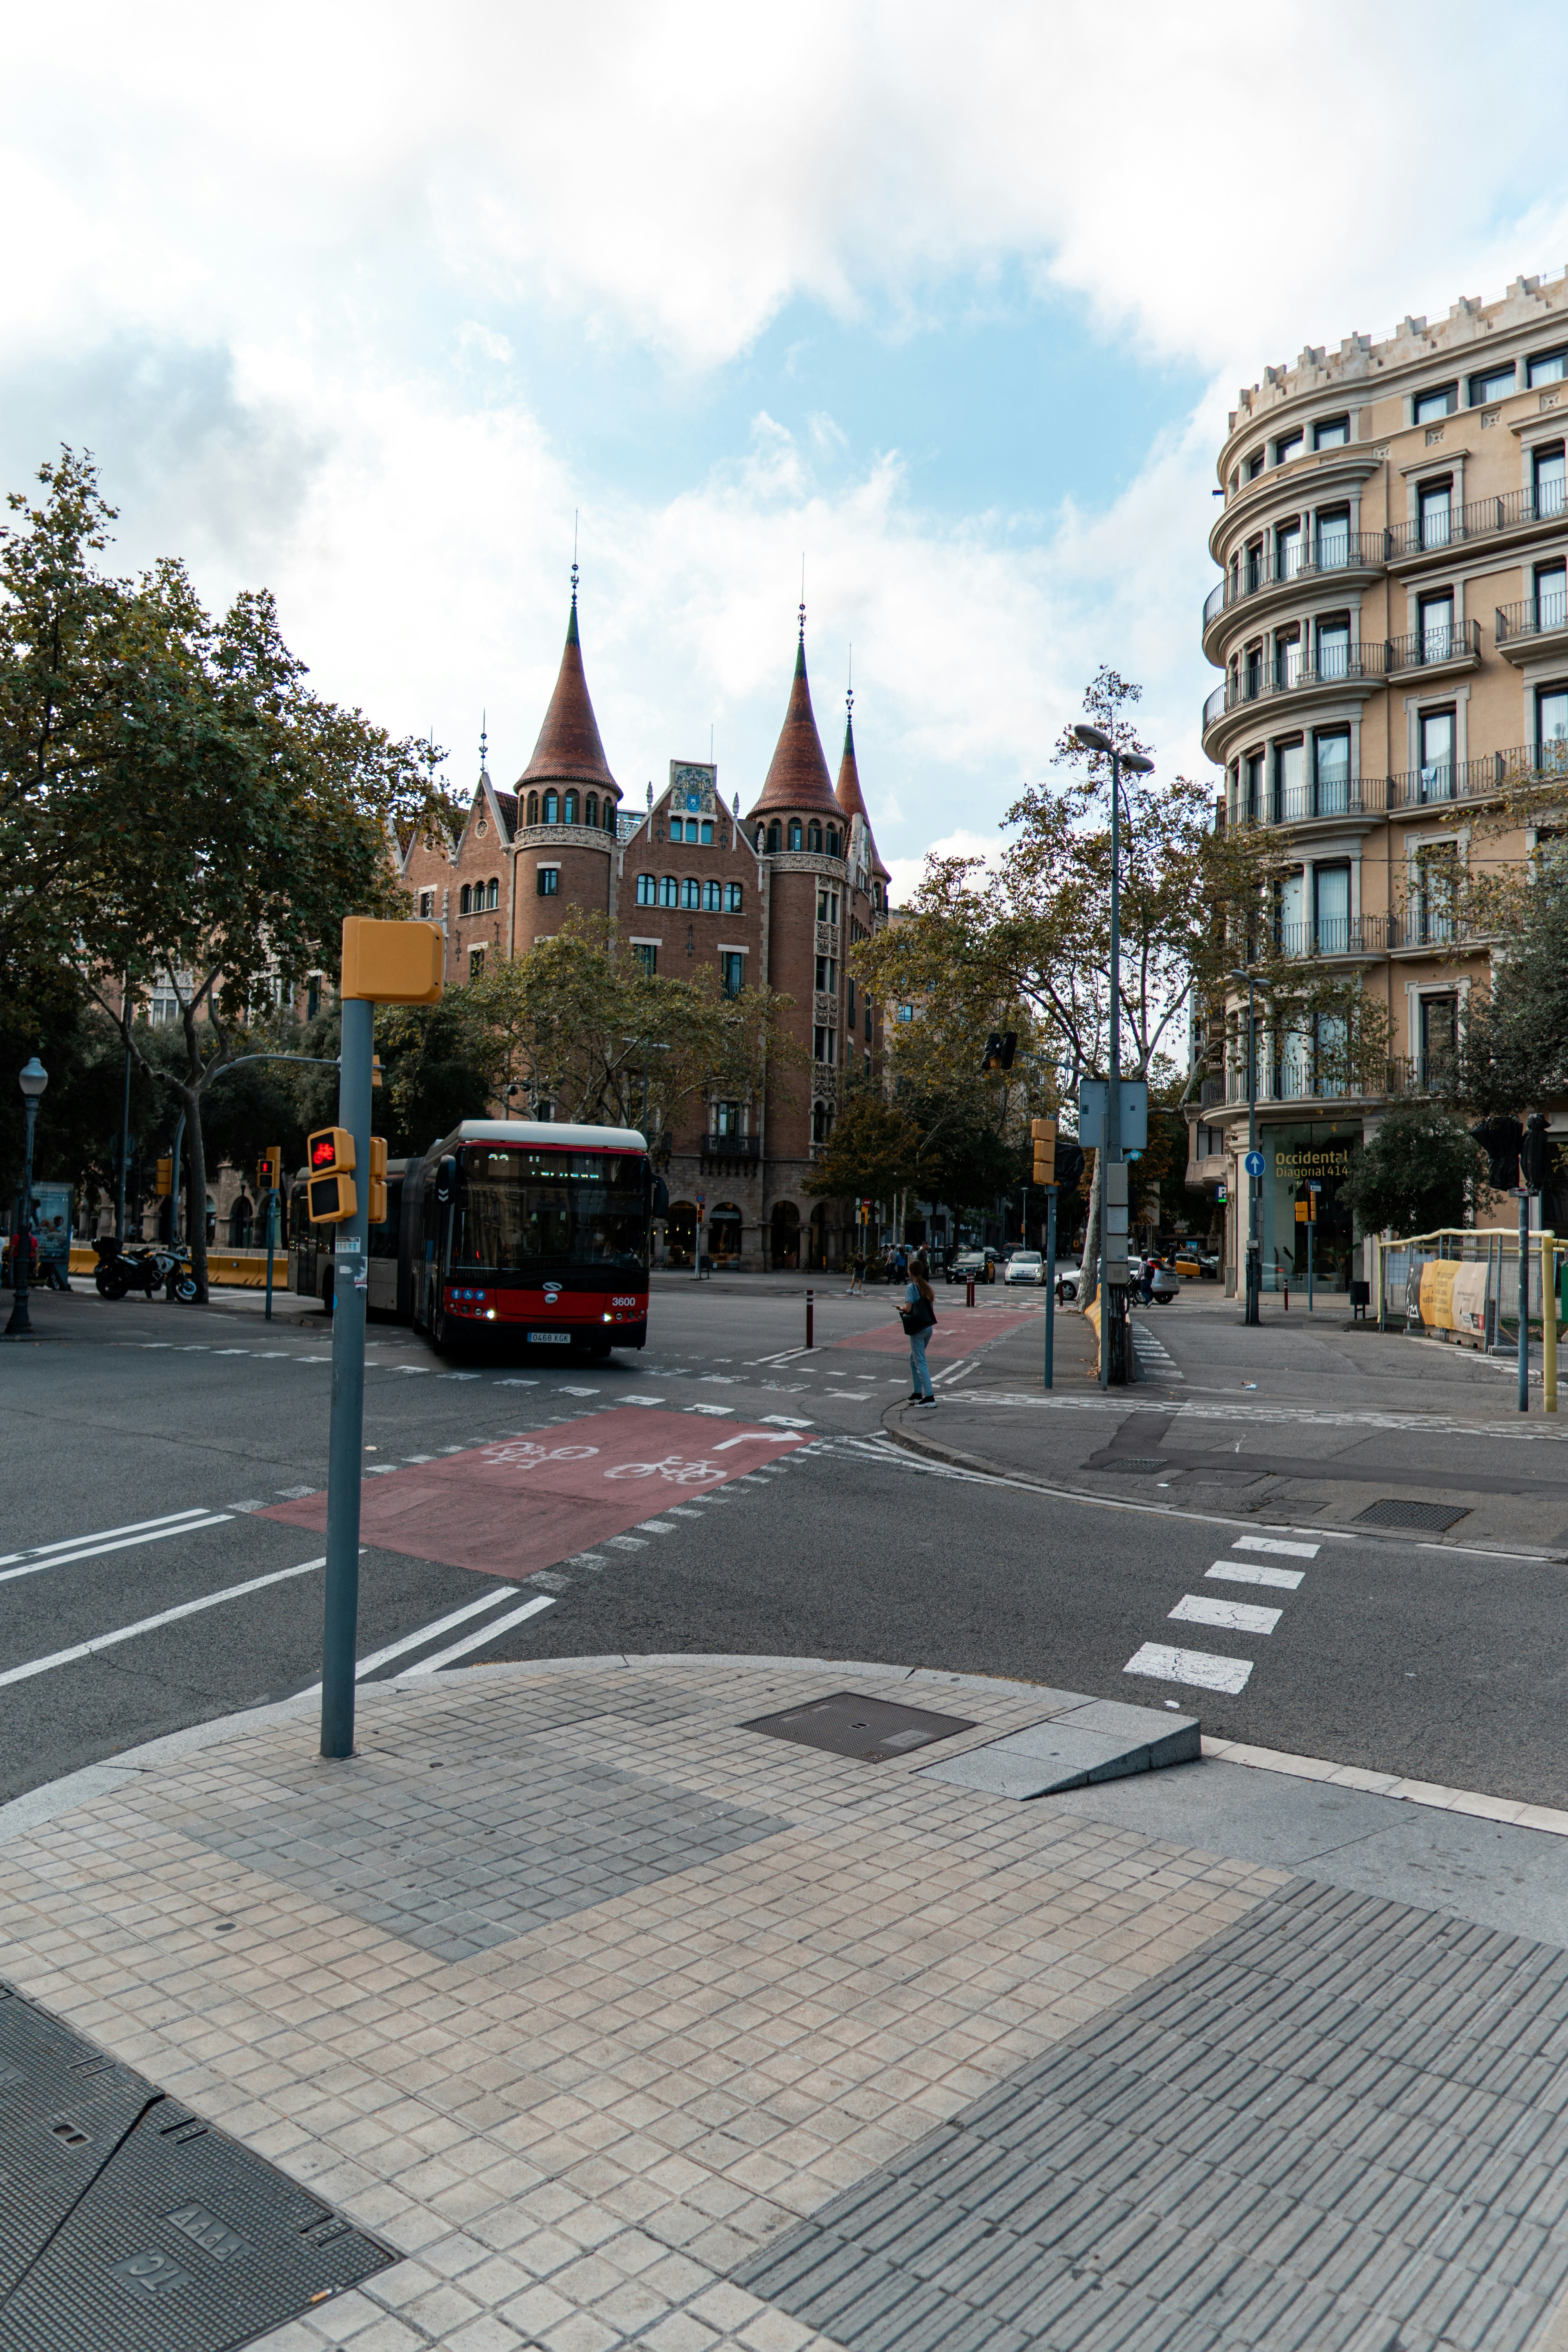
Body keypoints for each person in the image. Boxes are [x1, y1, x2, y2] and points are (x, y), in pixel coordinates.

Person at [901, 1250, 938, 1405]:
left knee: (920, 1362)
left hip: (917, 1329)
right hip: (928, 1328)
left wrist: (900, 1308)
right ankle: (917, 1393)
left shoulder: (912, 1288)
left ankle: (929, 1397)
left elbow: (909, 1309)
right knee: (913, 1359)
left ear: (911, 1273)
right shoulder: (927, 1287)